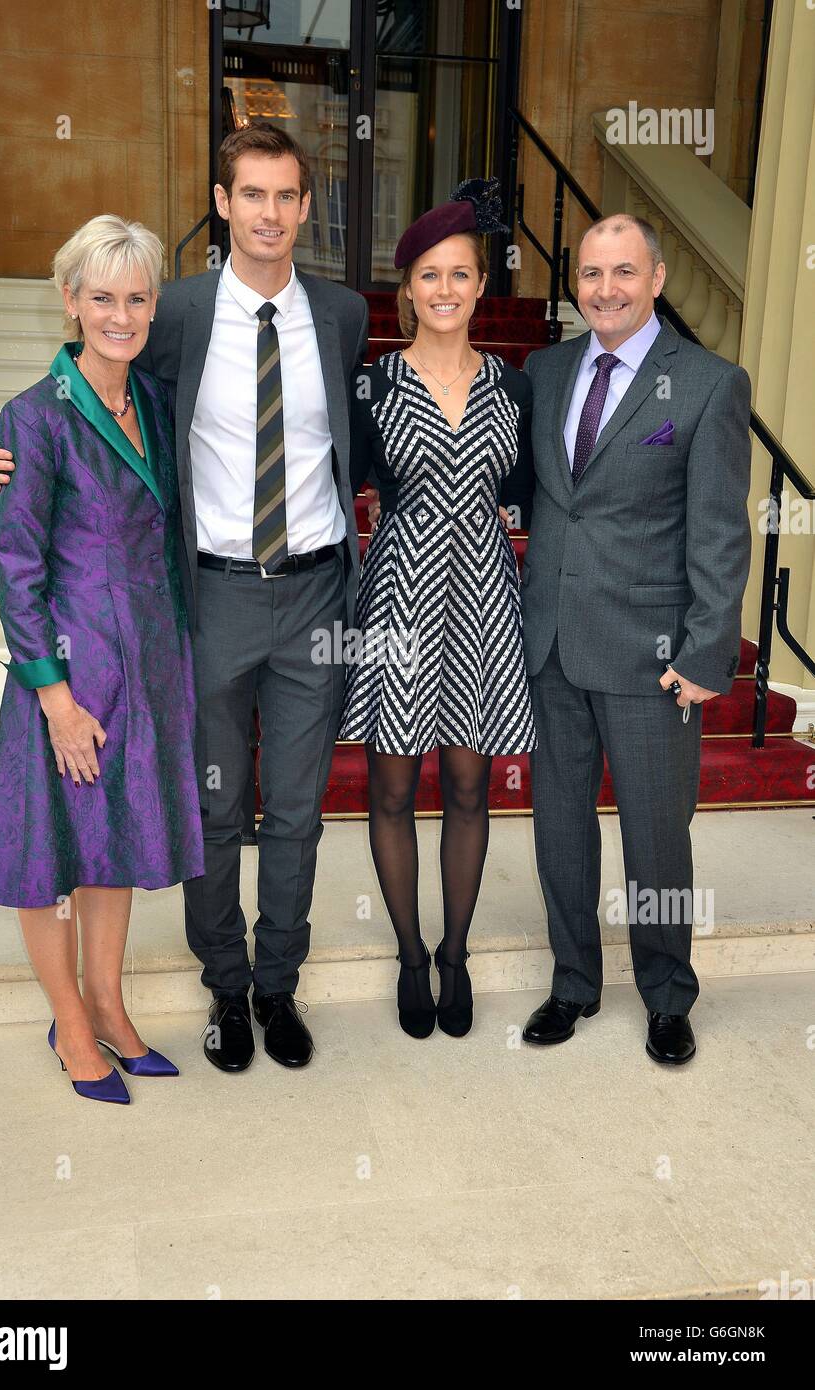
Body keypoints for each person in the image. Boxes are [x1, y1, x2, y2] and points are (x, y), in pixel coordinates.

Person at [0, 123, 370, 1074]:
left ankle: (278, 984)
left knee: (300, 810)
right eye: (252, 195)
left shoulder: (344, 315)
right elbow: (77, 408)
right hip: (210, 598)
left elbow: (352, 443)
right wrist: (4, 456)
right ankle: (224, 989)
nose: (270, 214)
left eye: (287, 196)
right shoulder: (179, 316)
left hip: (313, 592)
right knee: (215, 804)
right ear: (224, 203)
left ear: (305, 207)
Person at [518, 213, 752, 1064]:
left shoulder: (705, 384)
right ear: (574, 283)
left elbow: (721, 533)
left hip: (652, 657)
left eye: (622, 272)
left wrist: (702, 653)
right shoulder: (542, 374)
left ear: (655, 278)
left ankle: (665, 995)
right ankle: (572, 984)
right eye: (589, 275)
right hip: (549, 643)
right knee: (560, 829)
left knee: (656, 834)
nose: (604, 290)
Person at [0, 215, 204, 1103]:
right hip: (68, 678)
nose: (120, 313)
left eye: (136, 297)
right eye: (101, 296)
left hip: (147, 670)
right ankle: (69, 1020)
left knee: (116, 845)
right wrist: (53, 695)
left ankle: (110, 1005)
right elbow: (16, 562)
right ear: (70, 301)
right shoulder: (34, 419)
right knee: (53, 859)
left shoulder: (156, 399)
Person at [340, 180, 536, 1038]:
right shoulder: (371, 386)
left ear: (480, 285)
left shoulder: (515, 389)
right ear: (406, 290)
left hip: (485, 601)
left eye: (459, 274)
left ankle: (455, 954)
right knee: (390, 789)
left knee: (467, 784)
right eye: (428, 276)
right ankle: (409, 955)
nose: (444, 291)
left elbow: (532, 493)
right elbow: (323, 479)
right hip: (400, 598)